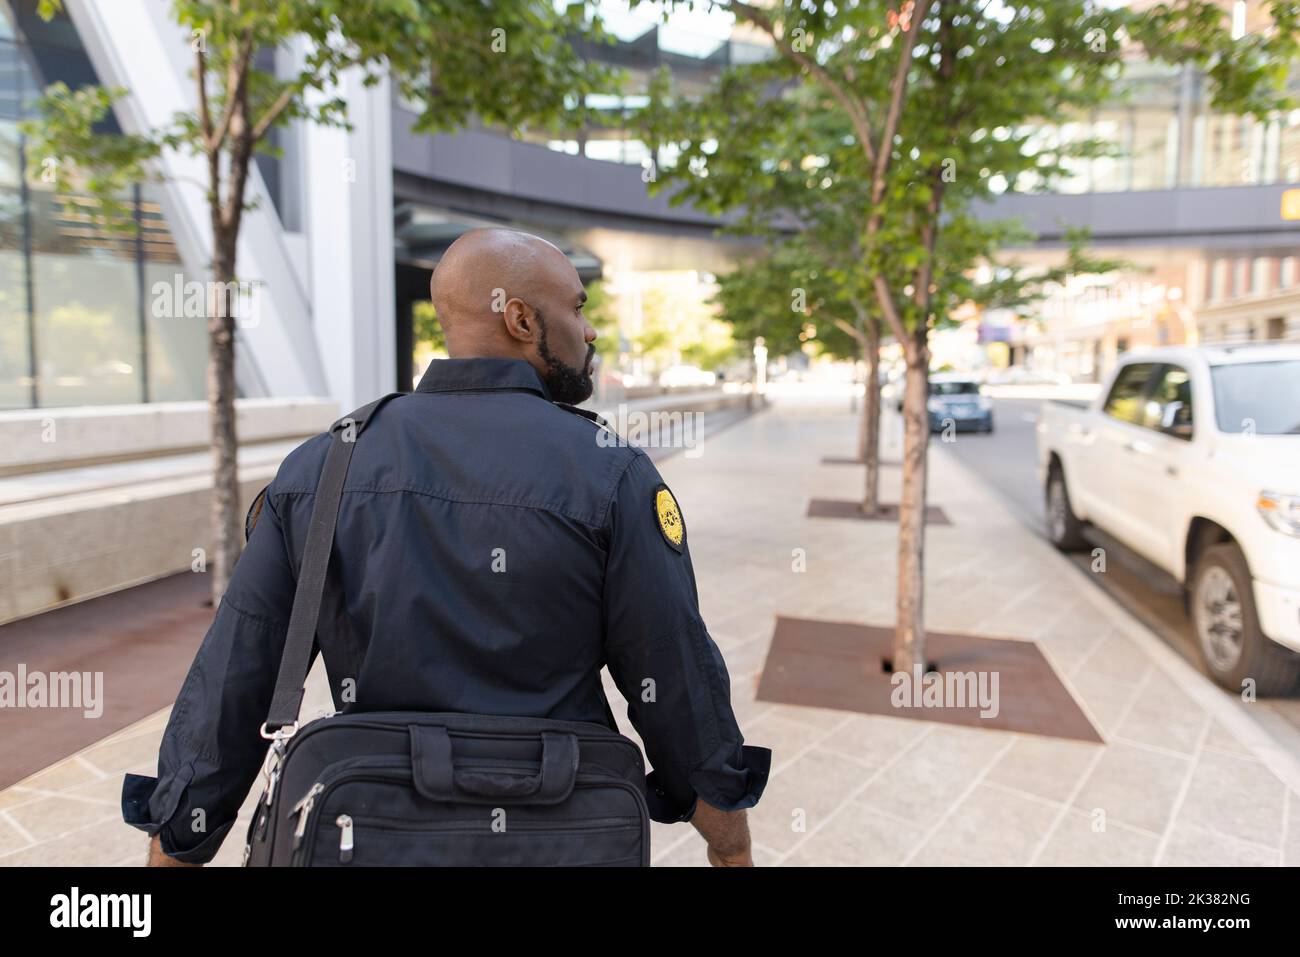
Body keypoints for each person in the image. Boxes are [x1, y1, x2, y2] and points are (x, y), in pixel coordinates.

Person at [123, 227, 770, 867]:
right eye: (576, 307)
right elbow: (672, 679)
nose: (590, 329)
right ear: (518, 318)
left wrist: (176, 845)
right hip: (561, 836)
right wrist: (729, 842)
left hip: (374, 835)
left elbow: (234, 682)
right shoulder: (613, 474)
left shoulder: (325, 468)